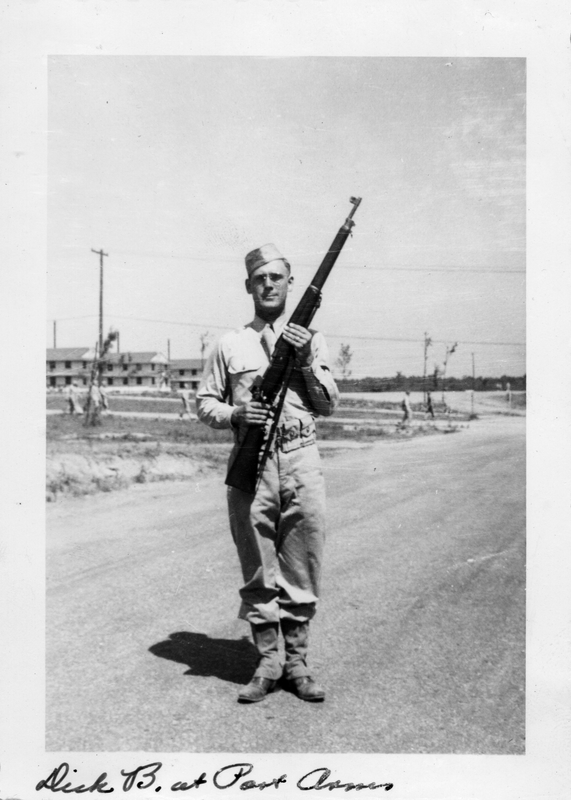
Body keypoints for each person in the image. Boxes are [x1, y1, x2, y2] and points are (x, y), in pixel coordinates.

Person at [196, 243, 339, 704]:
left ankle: (296, 664)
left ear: (291, 284)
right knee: (258, 567)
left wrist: (302, 363)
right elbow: (205, 403)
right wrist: (236, 415)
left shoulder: (311, 341)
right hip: (252, 464)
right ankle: (268, 661)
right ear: (249, 286)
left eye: (278, 277)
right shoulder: (229, 343)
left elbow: (329, 406)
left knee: (303, 563)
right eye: (261, 278)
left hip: (301, 458)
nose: (270, 284)